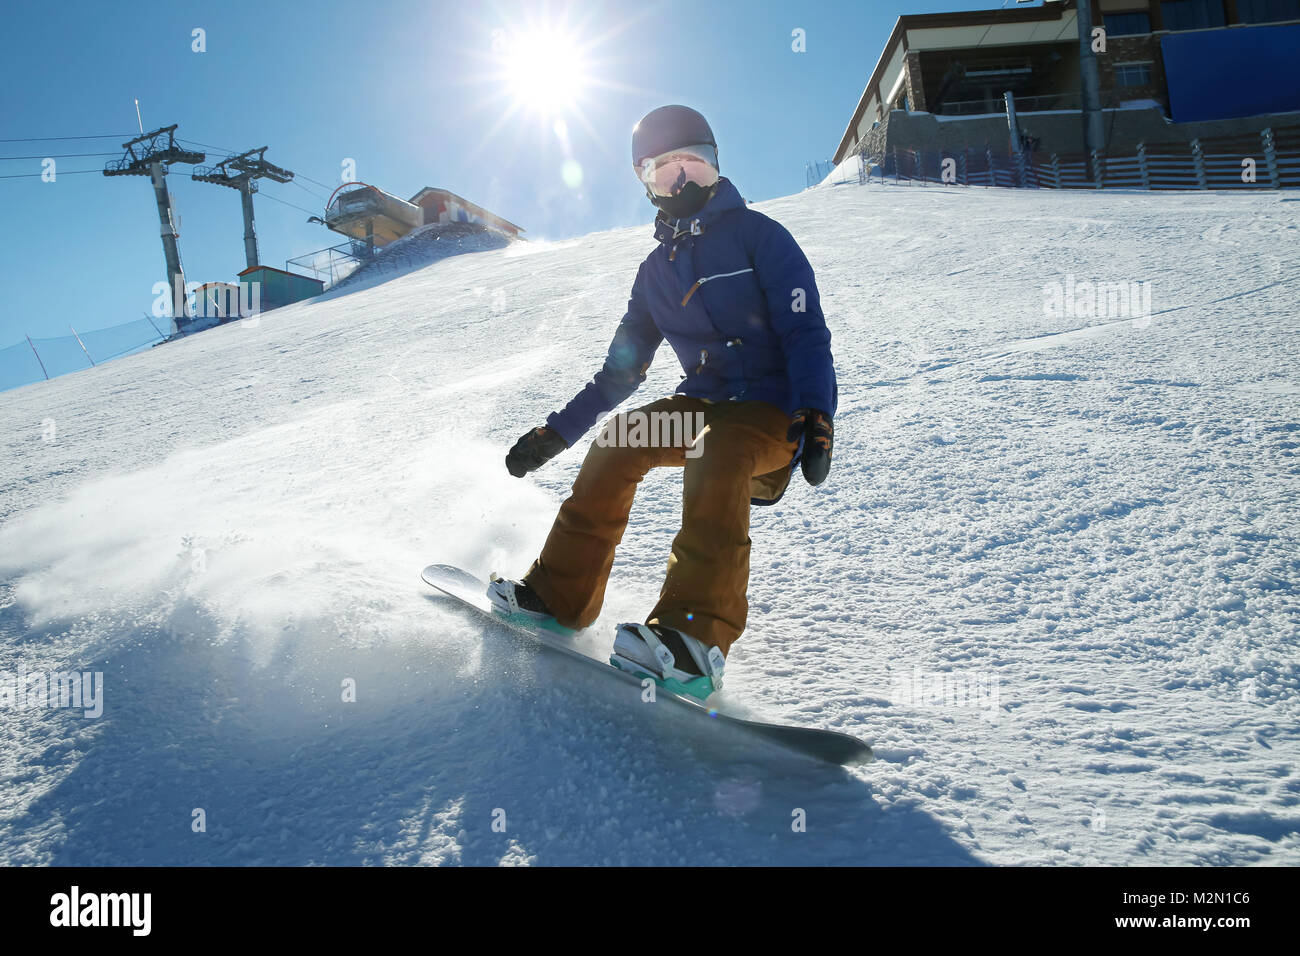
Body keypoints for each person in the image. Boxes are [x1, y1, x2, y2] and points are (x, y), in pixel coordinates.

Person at [489, 105, 836, 700]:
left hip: (772, 412)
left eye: (694, 169)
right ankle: (559, 597)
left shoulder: (762, 237)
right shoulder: (654, 273)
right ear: (645, 183)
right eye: (663, 173)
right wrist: (558, 433)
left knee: (715, 450)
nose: (682, 184)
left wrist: (817, 414)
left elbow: (806, 332)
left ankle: (693, 641)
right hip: (704, 404)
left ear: (717, 168)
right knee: (619, 441)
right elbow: (619, 372)